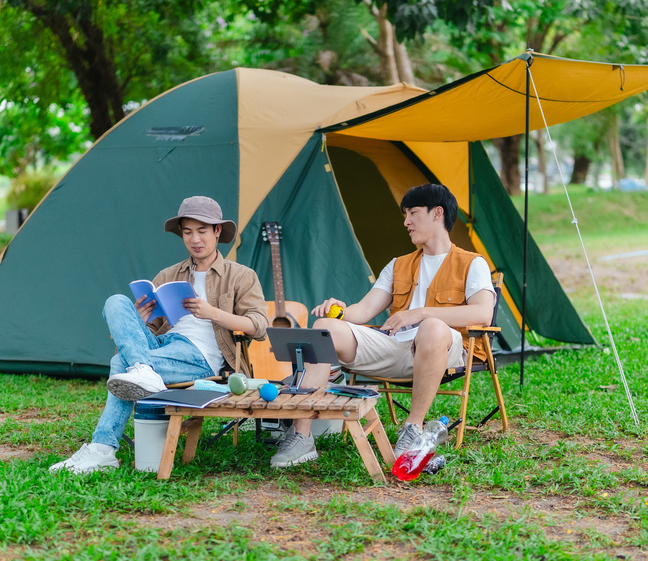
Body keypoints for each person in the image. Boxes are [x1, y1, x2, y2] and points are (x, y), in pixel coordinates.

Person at [270, 183, 495, 468]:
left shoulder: (472, 263)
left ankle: (412, 429)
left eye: (413, 213)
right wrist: (340, 310)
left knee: (432, 327)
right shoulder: (398, 265)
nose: (406, 222)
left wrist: (419, 314)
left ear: (437, 213)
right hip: (394, 347)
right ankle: (301, 436)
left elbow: (483, 313)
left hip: (443, 349)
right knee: (325, 327)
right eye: (405, 215)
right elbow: (364, 310)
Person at [50, 196, 269, 474]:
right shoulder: (168, 275)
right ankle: (143, 370)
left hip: (201, 357)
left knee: (119, 363)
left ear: (217, 231)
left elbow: (259, 325)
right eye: (187, 232)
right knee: (116, 301)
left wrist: (212, 312)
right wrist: (140, 320)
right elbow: (147, 333)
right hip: (164, 346)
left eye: (202, 231)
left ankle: (103, 449)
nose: (195, 239)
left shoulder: (241, 276)